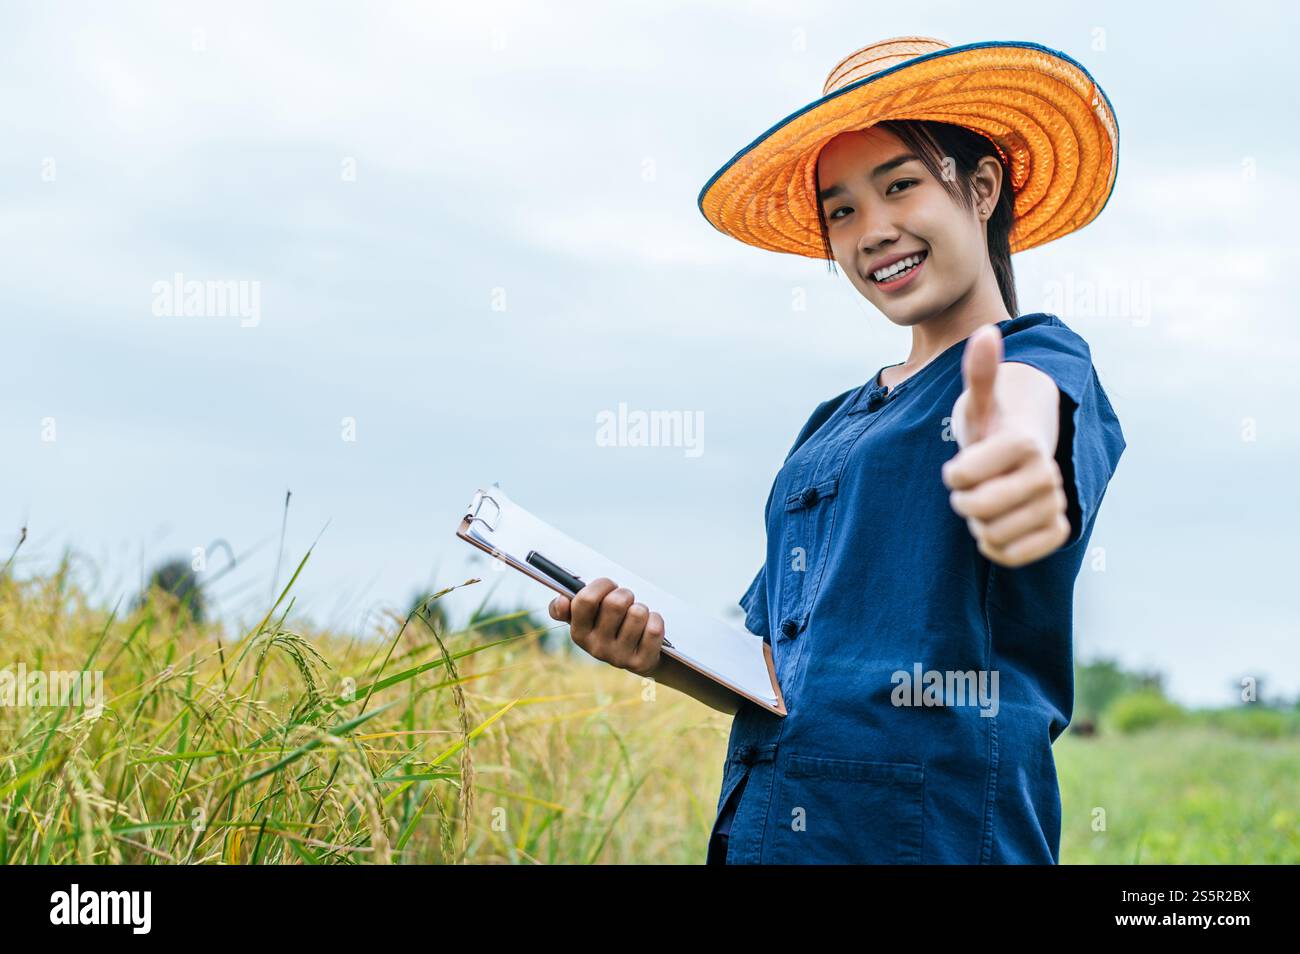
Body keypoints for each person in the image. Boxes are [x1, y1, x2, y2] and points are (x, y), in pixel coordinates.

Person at [549, 36, 1126, 864]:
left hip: (937, 837)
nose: (872, 231)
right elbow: (778, 672)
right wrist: (651, 648)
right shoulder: (829, 424)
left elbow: (1021, 419)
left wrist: (1015, 462)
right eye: (842, 209)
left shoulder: (1037, 358)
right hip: (767, 829)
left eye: (900, 186)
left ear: (983, 186)